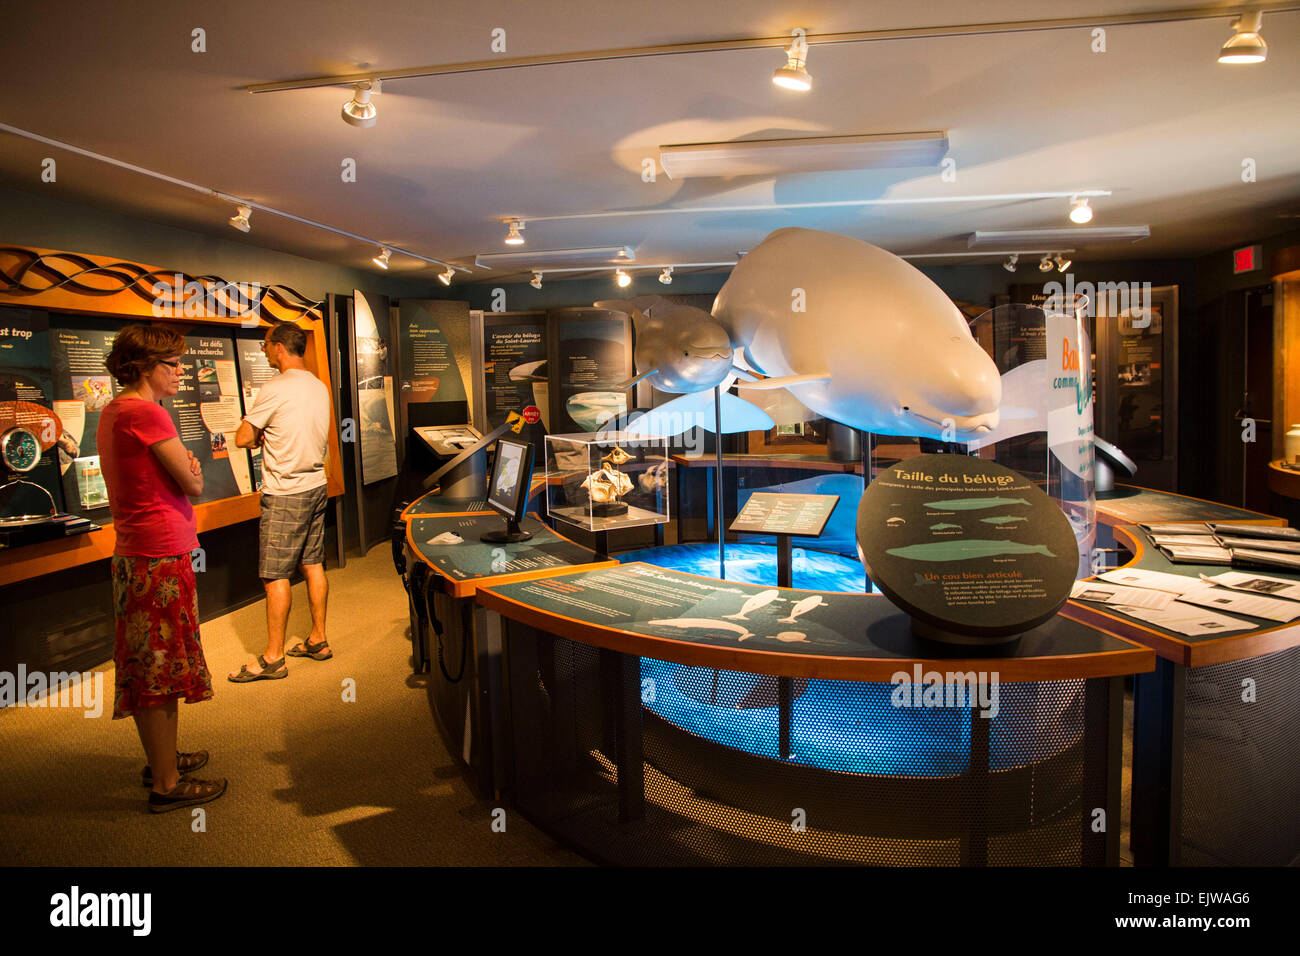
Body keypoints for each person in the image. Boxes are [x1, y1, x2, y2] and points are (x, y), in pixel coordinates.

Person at [98, 324, 227, 813]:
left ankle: (162, 761)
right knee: (161, 670)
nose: (180, 371)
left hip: (135, 553)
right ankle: (167, 785)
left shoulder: (115, 410)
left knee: (146, 664)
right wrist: (191, 469)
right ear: (142, 367)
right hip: (159, 556)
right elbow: (193, 483)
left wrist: (185, 467)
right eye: (171, 364)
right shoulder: (147, 414)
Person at [230, 321, 332, 681]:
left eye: (265, 344)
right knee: (313, 562)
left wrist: (257, 436)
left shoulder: (276, 386)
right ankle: (318, 639)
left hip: (286, 491)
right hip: (315, 484)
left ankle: (273, 657)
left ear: (278, 347)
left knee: (274, 574)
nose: (263, 350)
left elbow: (243, 437)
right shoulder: (318, 385)